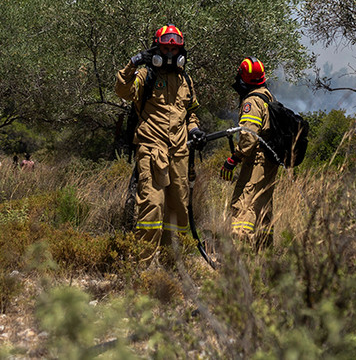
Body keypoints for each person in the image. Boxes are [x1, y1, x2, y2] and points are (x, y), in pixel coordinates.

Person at [114, 24, 202, 259]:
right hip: (152, 149)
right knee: (152, 206)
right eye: (166, 49)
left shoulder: (186, 80)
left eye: (175, 50)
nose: (171, 54)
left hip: (180, 153)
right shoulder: (145, 76)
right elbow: (122, 90)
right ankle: (141, 264)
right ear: (157, 48)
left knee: (179, 209)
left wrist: (194, 130)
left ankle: (172, 265)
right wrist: (133, 63)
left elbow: (191, 112)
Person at [220, 57, 279, 249]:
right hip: (269, 161)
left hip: (257, 160)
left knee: (245, 203)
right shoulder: (267, 95)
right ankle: (264, 251)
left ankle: (239, 249)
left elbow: (249, 136)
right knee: (263, 205)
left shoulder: (252, 101)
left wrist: (233, 158)